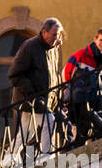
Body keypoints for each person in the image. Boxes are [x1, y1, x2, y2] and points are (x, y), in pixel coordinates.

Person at [8, 17, 64, 151]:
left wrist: (57, 100)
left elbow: (53, 76)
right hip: (32, 99)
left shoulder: (52, 49)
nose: (57, 38)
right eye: (54, 35)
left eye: (59, 35)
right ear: (44, 32)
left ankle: (7, 162)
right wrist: (33, 96)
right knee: (48, 122)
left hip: (44, 100)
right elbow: (15, 74)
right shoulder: (30, 46)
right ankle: (46, 159)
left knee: (24, 135)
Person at [63, 28, 102, 147]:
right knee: (97, 125)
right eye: (101, 40)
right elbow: (66, 72)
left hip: (93, 97)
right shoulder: (81, 55)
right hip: (79, 97)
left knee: (84, 128)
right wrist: (68, 89)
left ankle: (74, 149)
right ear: (95, 39)